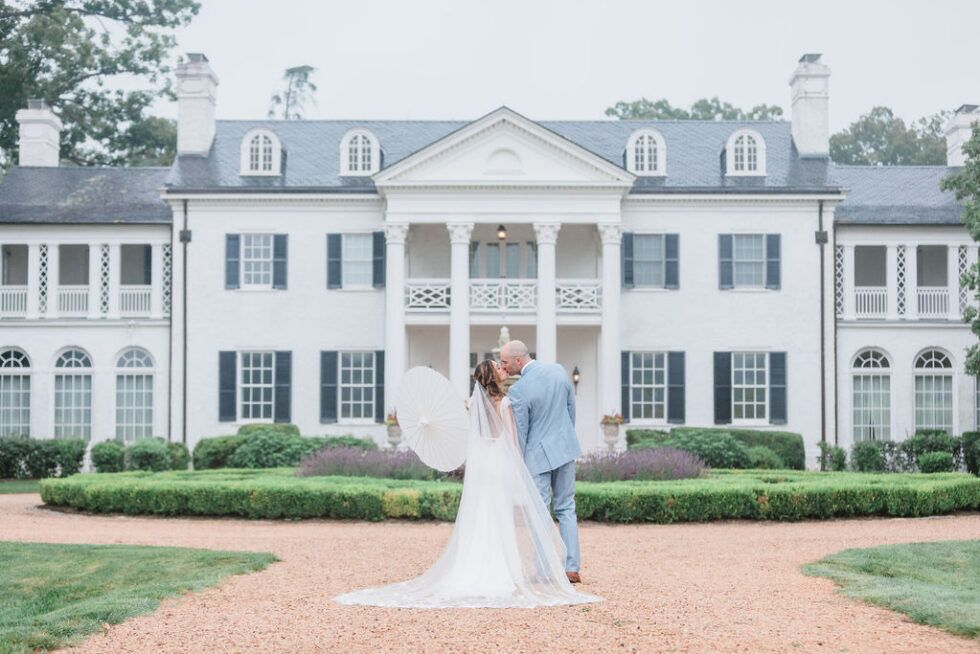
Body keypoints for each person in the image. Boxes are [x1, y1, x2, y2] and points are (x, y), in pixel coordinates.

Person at [333, 359, 600, 608]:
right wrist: (521, 466)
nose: (502, 367)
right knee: (500, 517)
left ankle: (473, 567)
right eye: (498, 366)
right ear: (494, 376)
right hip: (500, 464)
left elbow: (473, 436)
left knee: (482, 515)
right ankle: (502, 571)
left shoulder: (473, 403)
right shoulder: (505, 403)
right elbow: (512, 440)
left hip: (483, 466)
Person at [499, 340, 582, 583]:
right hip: (566, 449)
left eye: (504, 362)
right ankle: (572, 568)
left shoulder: (518, 391)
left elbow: (522, 433)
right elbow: (570, 408)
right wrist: (565, 437)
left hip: (537, 456)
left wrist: (520, 462)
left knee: (540, 513)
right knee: (567, 508)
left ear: (518, 360)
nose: (503, 367)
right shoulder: (558, 370)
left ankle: (545, 570)